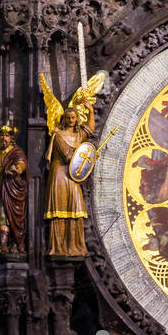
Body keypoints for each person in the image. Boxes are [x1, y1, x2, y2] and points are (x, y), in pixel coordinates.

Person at [44, 102, 94, 256]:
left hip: (72, 176)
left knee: (76, 208)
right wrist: (87, 157)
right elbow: (68, 156)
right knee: (60, 210)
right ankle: (59, 247)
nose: (71, 120)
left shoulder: (78, 135)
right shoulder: (59, 136)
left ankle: (75, 247)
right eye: (68, 118)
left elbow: (90, 129)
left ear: (77, 119)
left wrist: (91, 111)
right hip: (60, 175)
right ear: (64, 119)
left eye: (73, 117)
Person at [0, 120, 29, 256]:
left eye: (7, 135)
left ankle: (15, 243)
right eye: (2, 135)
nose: (4, 138)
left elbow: (21, 163)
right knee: (1, 215)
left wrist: (17, 168)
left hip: (13, 187)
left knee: (14, 216)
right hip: (0, 188)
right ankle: (3, 245)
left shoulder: (16, 152)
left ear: (11, 138)